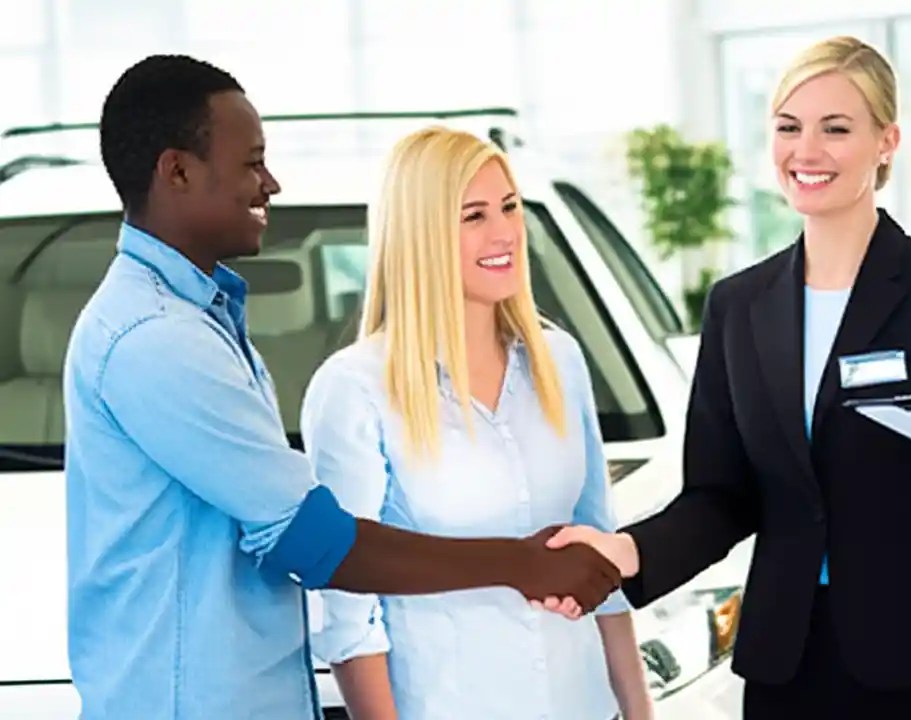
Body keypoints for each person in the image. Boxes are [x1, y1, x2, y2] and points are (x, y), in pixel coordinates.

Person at [62, 55, 620, 720]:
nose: (270, 182)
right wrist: (520, 563)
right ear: (177, 170)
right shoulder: (156, 338)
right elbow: (312, 538)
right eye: (252, 163)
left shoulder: (200, 320)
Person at [548, 35, 911, 719]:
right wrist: (626, 550)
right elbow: (721, 495)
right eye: (788, 127)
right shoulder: (739, 305)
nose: (807, 151)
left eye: (837, 128)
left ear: (886, 141)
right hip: (785, 664)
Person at [298, 126, 652, 720]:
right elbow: (349, 618)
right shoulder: (355, 387)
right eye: (474, 216)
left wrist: (639, 714)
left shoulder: (559, 359)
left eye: (509, 208)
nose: (505, 232)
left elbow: (601, 553)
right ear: (422, 235)